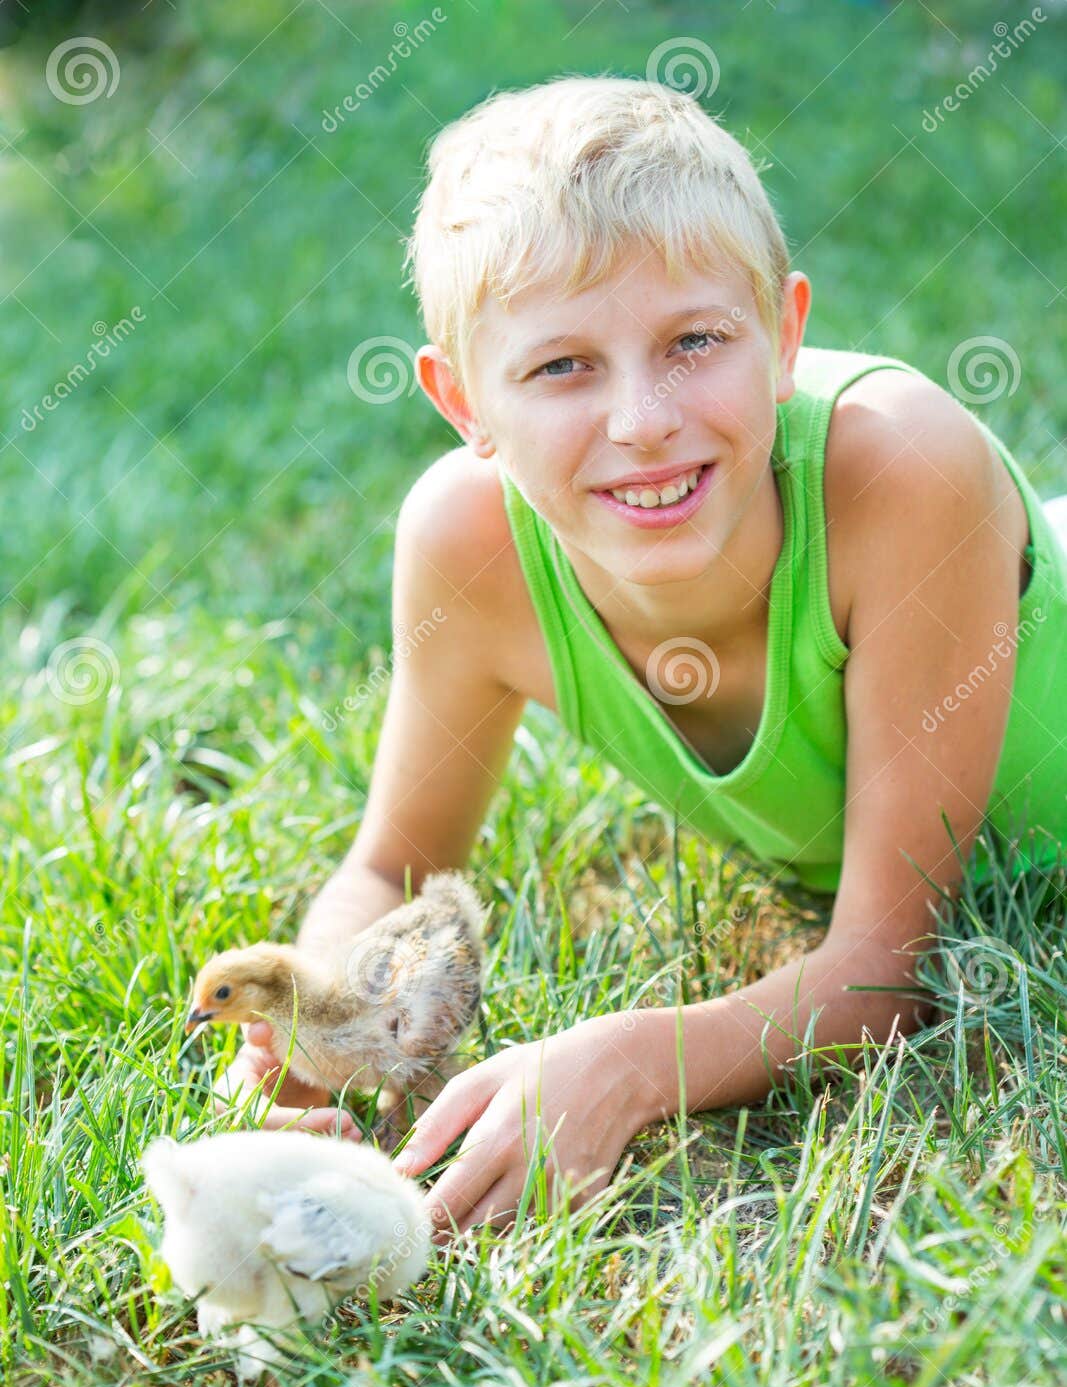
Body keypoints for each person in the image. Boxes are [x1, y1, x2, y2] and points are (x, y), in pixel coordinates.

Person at [217, 75, 1067, 1239]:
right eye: (560, 367)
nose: (641, 419)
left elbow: (883, 971)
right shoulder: (466, 546)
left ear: (781, 335)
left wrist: (630, 1058)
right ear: (461, 398)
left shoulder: (902, 471)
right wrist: (318, 1026)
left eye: (694, 341)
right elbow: (391, 867)